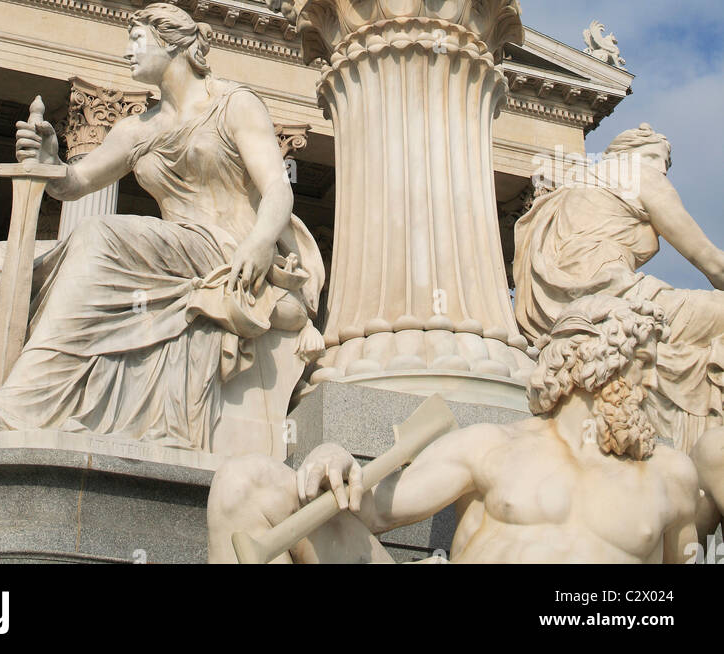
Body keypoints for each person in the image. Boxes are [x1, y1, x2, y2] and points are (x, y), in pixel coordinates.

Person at [0, 4, 323, 453]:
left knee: (99, 236)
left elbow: (277, 188)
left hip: (227, 250)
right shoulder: (135, 129)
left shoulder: (234, 104)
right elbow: (77, 182)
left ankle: (18, 407)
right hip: (173, 251)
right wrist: (51, 162)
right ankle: (60, 398)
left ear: (172, 43)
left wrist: (258, 244)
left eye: (136, 41)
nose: (126, 52)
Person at [208, 297, 699, 565]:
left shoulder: (670, 475)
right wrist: (334, 455)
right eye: (643, 365)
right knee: (245, 483)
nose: (651, 384)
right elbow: (372, 510)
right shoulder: (492, 445)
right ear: (592, 363)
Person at [513, 124, 724, 452]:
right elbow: (709, 260)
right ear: (632, 155)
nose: (662, 169)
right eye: (657, 157)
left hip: (555, 311)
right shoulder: (638, 175)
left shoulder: (573, 187)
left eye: (666, 163)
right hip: (613, 298)